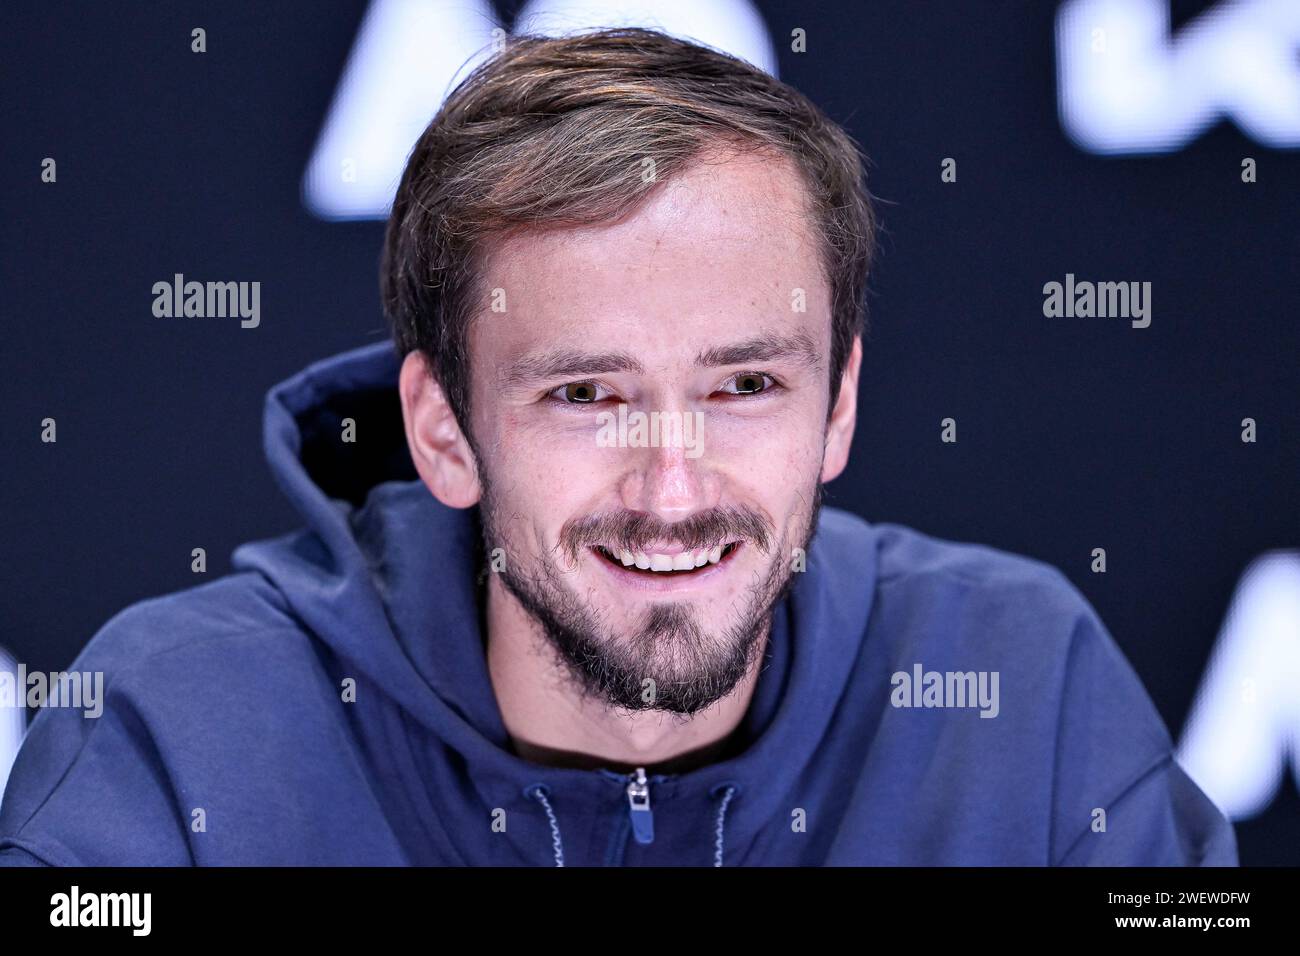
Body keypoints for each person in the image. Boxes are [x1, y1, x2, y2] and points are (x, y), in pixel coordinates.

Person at [0, 27, 1235, 866]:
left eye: (744, 382)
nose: (672, 486)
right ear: (445, 432)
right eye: (588, 394)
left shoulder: (1026, 690)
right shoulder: (177, 729)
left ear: (839, 406)